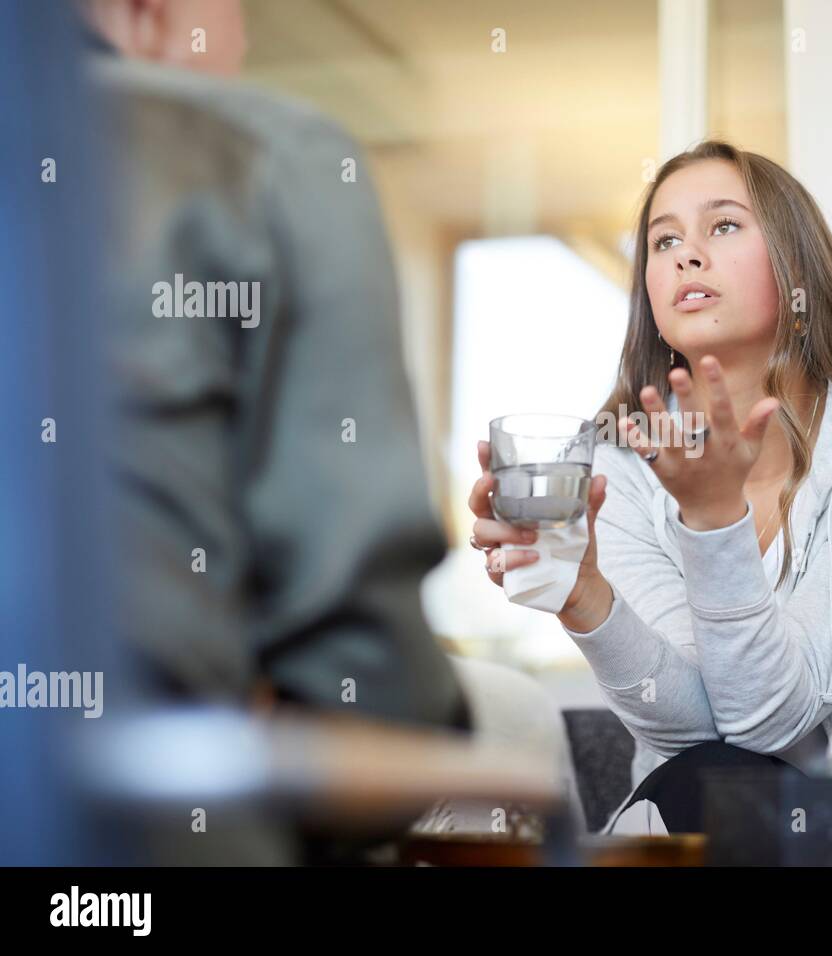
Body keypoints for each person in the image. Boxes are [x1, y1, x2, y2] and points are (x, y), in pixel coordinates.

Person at [81, 0, 584, 858]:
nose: (238, 52)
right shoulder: (262, 157)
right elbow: (371, 694)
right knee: (516, 719)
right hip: (147, 829)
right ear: (152, 14)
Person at [467, 140, 832, 860]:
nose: (686, 254)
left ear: (798, 271)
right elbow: (695, 734)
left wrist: (714, 518)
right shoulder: (621, 470)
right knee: (708, 776)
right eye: (663, 240)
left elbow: (772, 725)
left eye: (723, 226)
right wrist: (586, 598)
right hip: (695, 823)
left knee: (726, 780)